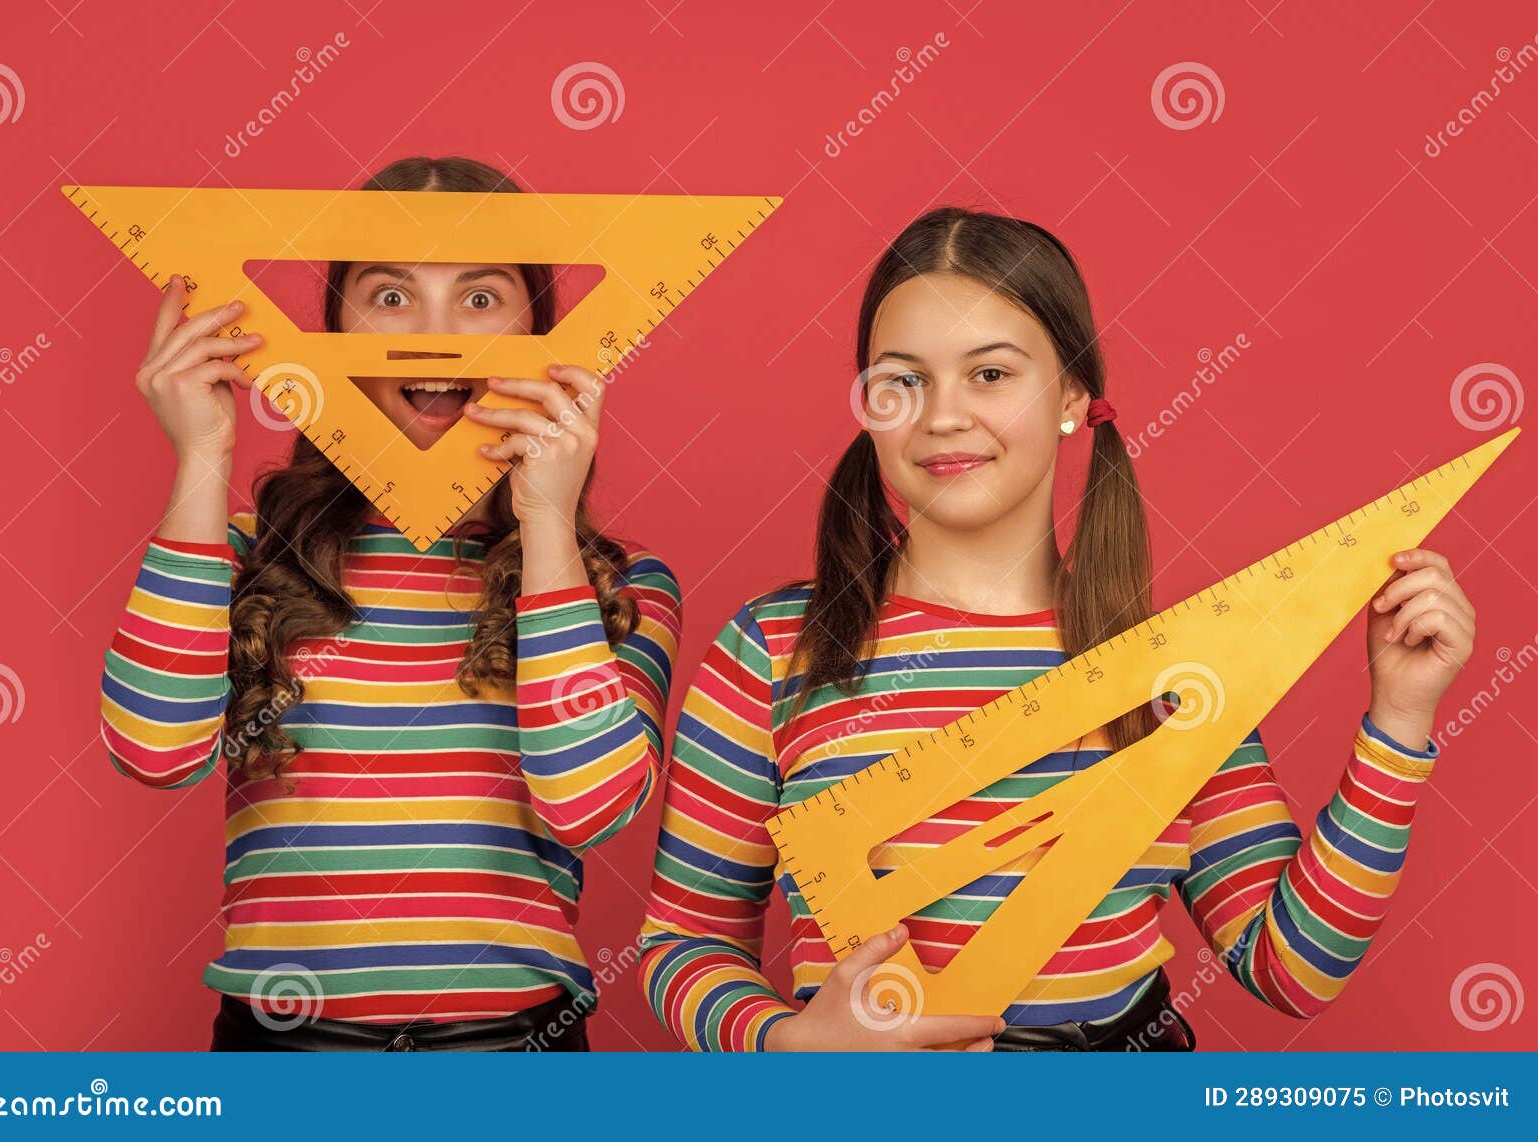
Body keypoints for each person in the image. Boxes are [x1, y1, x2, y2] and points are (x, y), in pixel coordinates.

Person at [636, 206, 1469, 1051]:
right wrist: (792, 1046)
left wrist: (1398, 724)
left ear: (1072, 395)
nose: (943, 416)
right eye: (904, 380)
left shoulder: (1171, 673)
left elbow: (1292, 969)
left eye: (990, 375)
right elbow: (683, 945)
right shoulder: (774, 648)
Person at [99, 156, 681, 1051]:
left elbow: (591, 806)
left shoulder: (619, 582)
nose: (436, 338)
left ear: (547, 332)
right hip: (282, 1056)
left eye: (481, 299)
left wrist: (549, 525)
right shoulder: (250, 551)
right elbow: (152, 748)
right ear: (331, 327)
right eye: (392, 296)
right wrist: (203, 456)